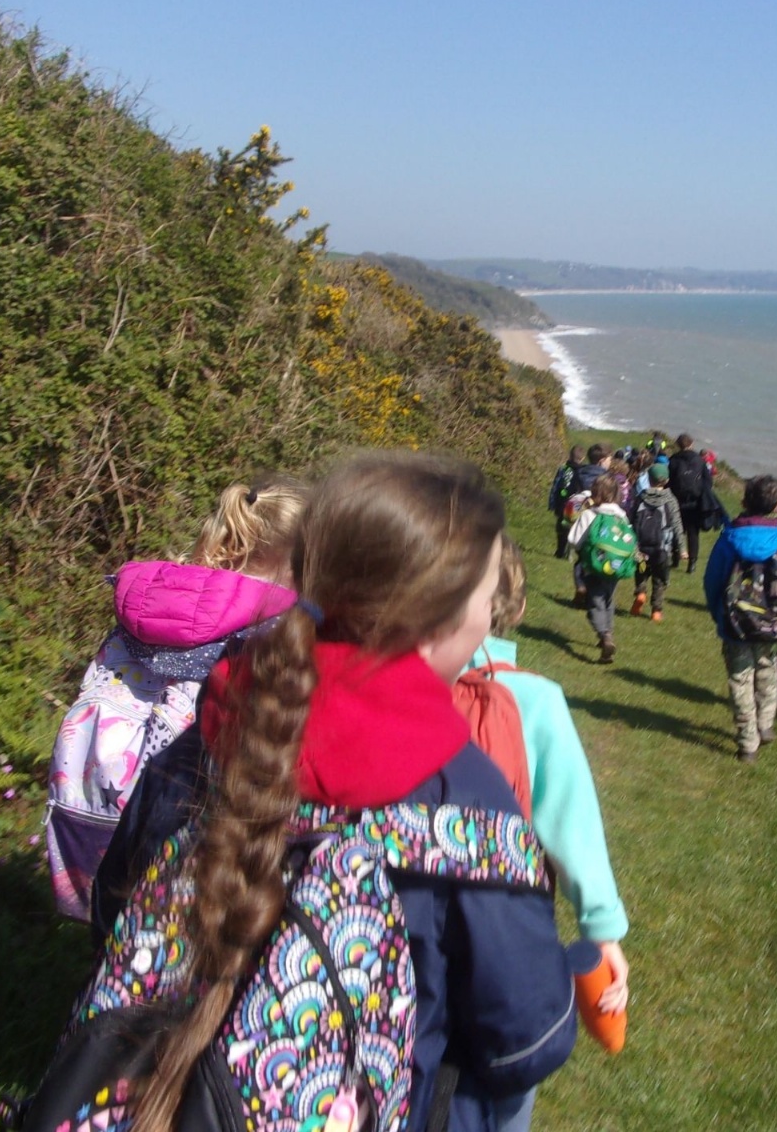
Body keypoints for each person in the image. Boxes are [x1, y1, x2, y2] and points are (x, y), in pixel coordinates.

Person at [91, 453, 577, 1132]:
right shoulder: (467, 795)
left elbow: (113, 907)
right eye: (486, 589)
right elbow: (526, 1035)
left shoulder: (219, 722)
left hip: (159, 1100)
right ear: (446, 616)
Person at [45, 475, 306, 921]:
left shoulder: (153, 598)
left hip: (91, 808)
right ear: (295, 561)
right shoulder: (273, 624)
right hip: (183, 828)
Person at [453, 537, 630, 1130]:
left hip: (411, 926)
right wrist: (601, 931)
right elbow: (573, 827)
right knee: (504, 1085)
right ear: (519, 607)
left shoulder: (409, 685)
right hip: (510, 924)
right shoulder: (538, 699)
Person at [703, 475, 777, 761]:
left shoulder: (729, 538)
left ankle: (747, 741)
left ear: (745, 502)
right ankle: (765, 724)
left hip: (735, 623)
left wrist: (718, 614)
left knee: (740, 679)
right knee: (766, 668)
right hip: (772, 623)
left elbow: (712, 581)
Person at [567, 474, 633, 664]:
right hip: (615, 567)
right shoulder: (621, 516)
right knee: (609, 600)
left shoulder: (590, 514)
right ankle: (608, 632)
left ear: (595, 494)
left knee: (594, 603)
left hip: (593, 567)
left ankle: (605, 636)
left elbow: (574, 540)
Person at [629, 462, 687, 622]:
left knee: (641, 573)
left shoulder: (641, 497)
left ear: (648, 479)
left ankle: (640, 593)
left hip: (640, 548)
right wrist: (682, 548)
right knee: (659, 579)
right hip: (662, 549)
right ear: (667, 480)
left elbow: (631, 519)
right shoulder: (670, 499)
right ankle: (656, 611)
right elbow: (677, 524)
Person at [668, 432, 715, 574]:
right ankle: (692, 565)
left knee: (677, 530)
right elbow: (708, 481)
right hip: (695, 502)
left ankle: (675, 559)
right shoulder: (699, 461)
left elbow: (668, 481)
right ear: (692, 444)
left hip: (677, 500)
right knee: (693, 534)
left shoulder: (673, 460)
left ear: (678, 445)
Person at [548, 444, 585, 559]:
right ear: (582, 458)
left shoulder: (563, 469)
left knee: (561, 527)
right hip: (576, 505)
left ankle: (560, 550)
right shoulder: (582, 472)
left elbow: (555, 487)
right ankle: (569, 551)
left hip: (561, 503)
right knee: (573, 527)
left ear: (569, 456)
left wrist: (552, 503)